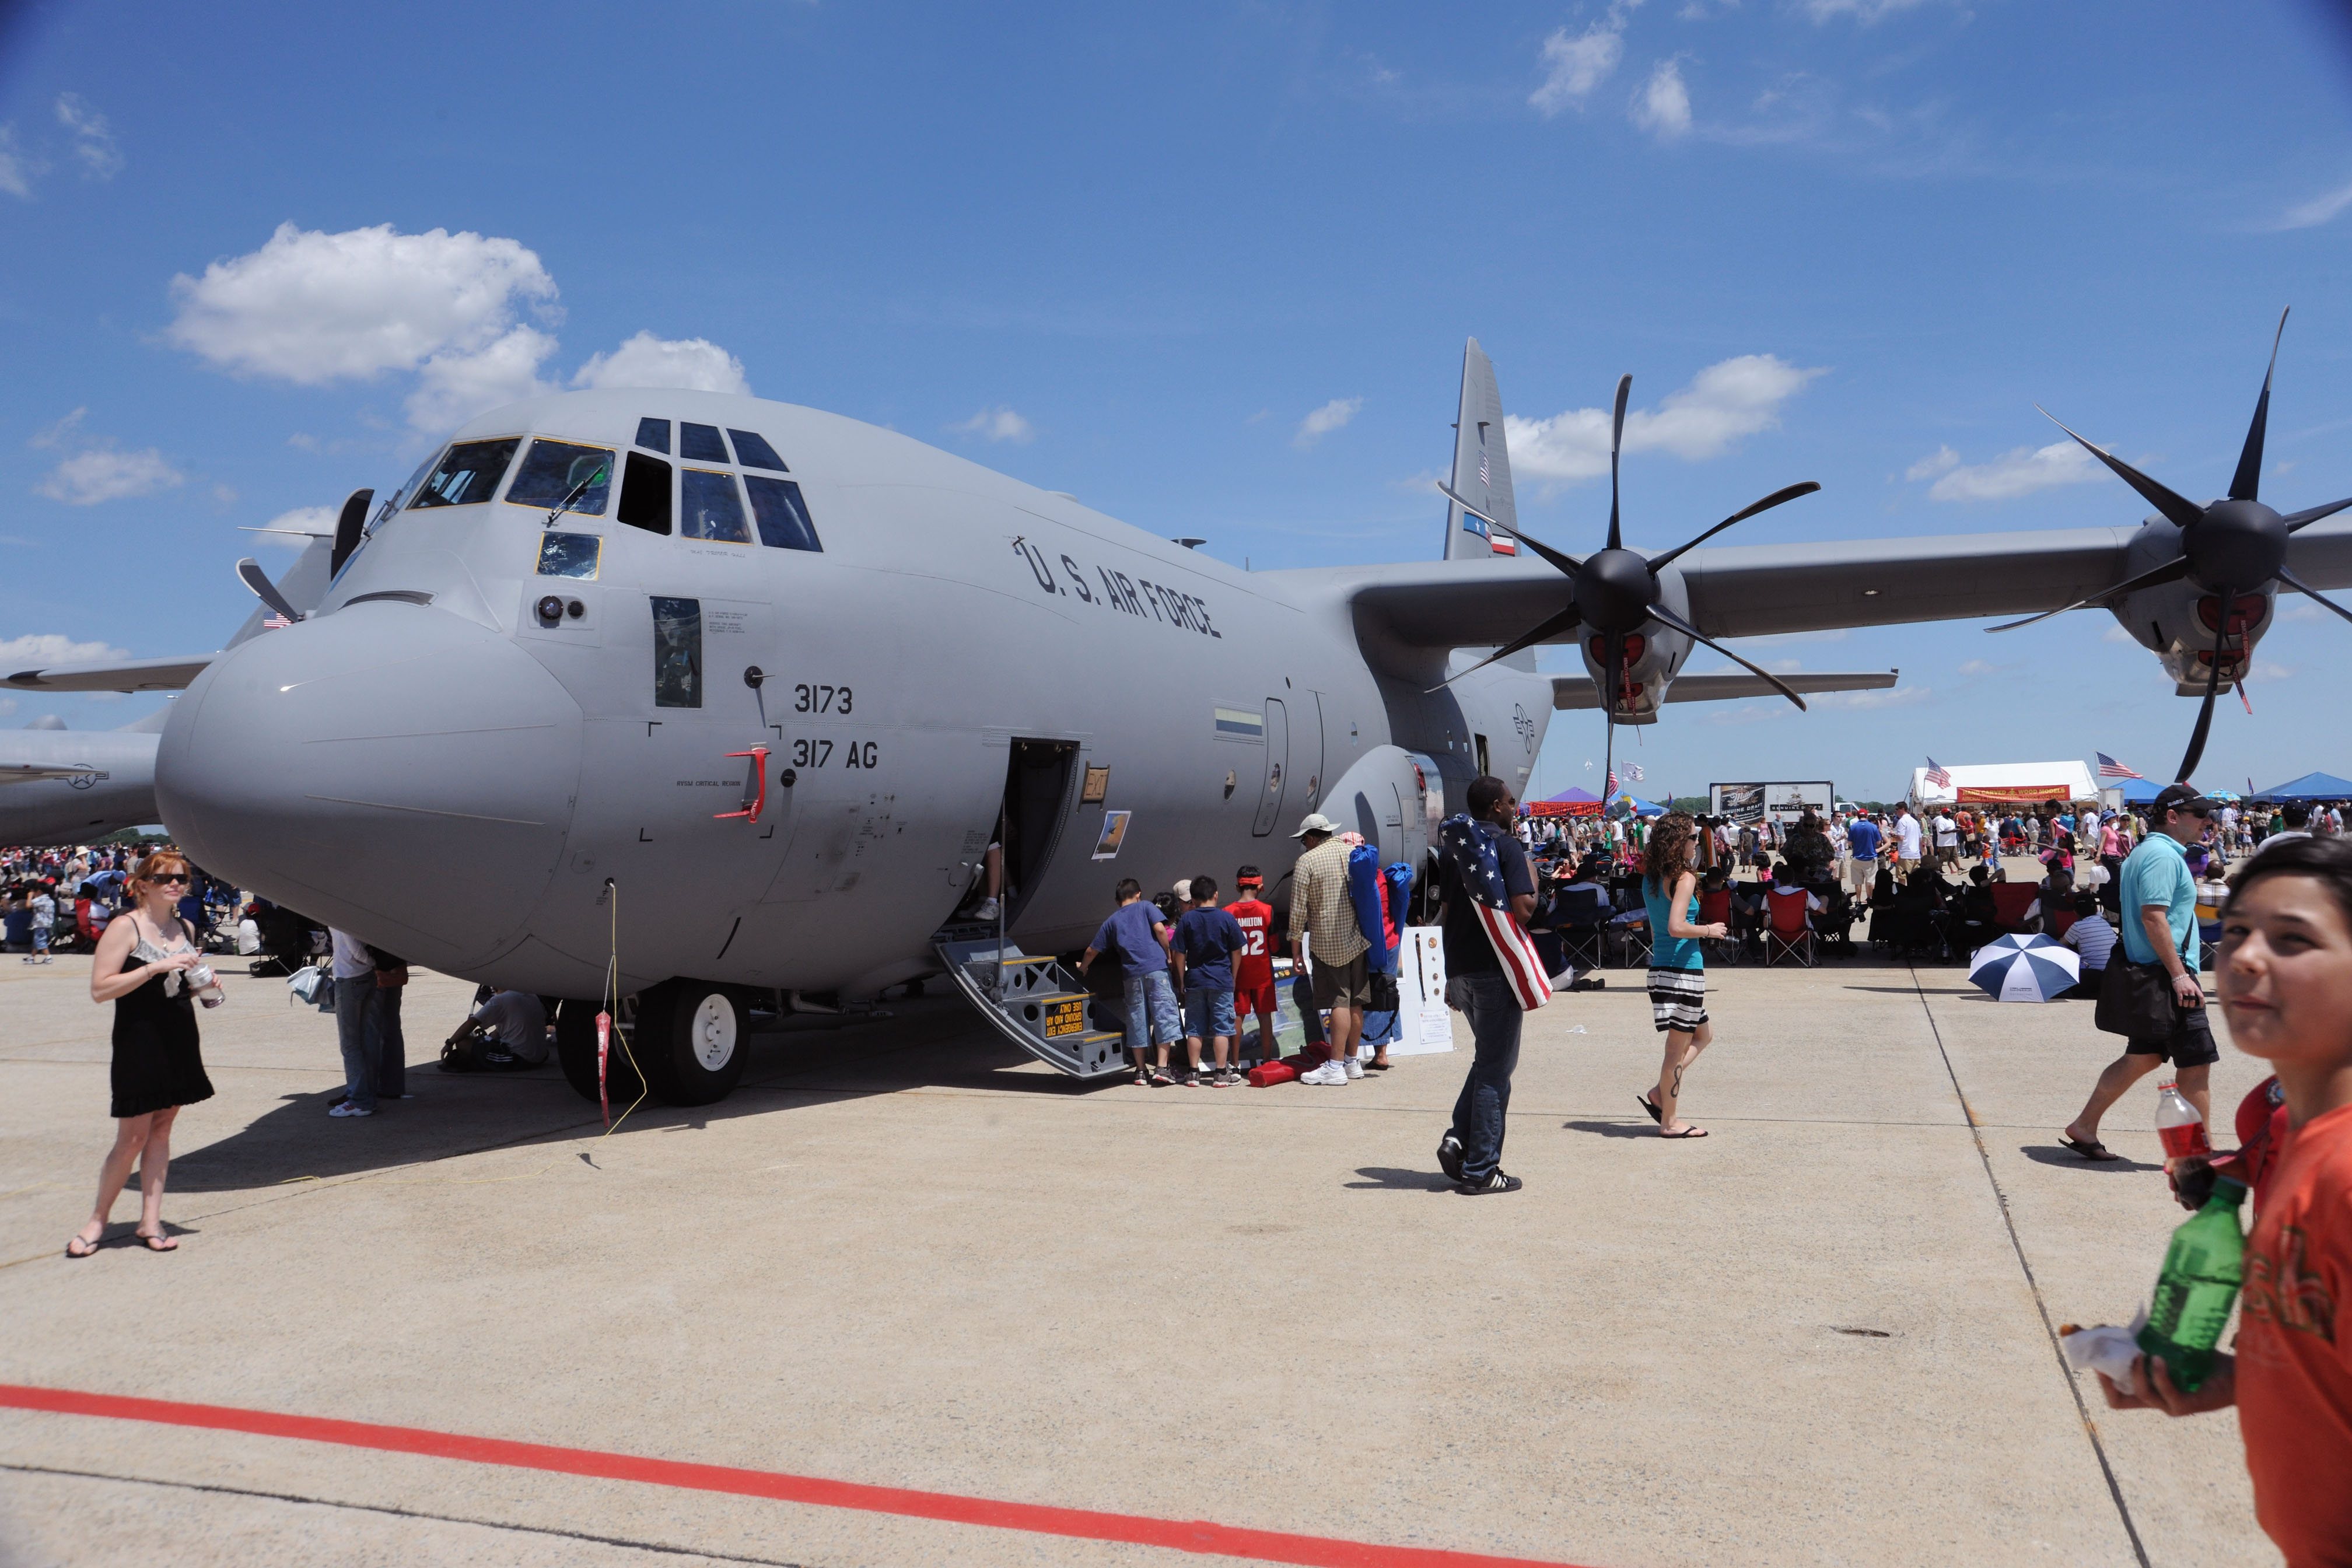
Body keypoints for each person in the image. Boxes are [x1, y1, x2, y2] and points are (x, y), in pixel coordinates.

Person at [2095, 832, 2352, 1566]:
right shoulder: (2294, 1133)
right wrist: (2240, 1380)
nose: (2243, 956)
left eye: (2294, 939)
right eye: (2235, 930)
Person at [66, 852, 216, 1256]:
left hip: (179, 1034)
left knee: (164, 1129)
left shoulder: (184, 925)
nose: (176, 884)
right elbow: (101, 989)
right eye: (166, 877)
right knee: (132, 1138)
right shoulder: (124, 926)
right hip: (140, 1038)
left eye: (182, 878)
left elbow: (182, 984)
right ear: (143, 884)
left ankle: (150, 1221)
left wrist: (204, 984)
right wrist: (155, 967)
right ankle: (98, 1219)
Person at [2060, 784, 2219, 1161]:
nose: (2206, 822)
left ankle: (2084, 1125)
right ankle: (2198, 1154)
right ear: (2173, 817)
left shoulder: (2142, 854)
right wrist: (2180, 976)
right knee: (2196, 1065)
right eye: (2199, 815)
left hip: (2152, 976)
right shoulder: (2163, 858)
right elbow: (2154, 918)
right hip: (2169, 976)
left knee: (2143, 1058)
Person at [1433, 776, 1538, 1192]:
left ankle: (1459, 1138)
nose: (1516, 808)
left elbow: (1446, 913)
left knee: (1486, 1061)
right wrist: (1530, 869)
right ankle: (1481, 1171)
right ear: (1496, 806)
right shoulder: (1508, 848)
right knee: (1496, 1071)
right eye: (1512, 802)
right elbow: (1524, 909)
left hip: (1461, 969)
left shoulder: (1453, 850)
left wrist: (1447, 978)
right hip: (1496, 972)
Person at [1638, 813, 1726, 1139]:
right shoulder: (1685, 877)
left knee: (1704, 1035)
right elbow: (1677, 927)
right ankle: (1670, 1122)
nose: (1697, 844)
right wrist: (1709, 930)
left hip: (1662, 968)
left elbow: (1658, 927)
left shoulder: (1650, 879)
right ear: (1679, 842)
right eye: (1693, 838)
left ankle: (1661, 1094)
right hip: (1682, 972)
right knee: (1676, 1050)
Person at [1286, 812, 1368, 1087]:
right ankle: (1352, 1061)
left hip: (1327, 943)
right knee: (1356, 1002)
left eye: (1303, 841)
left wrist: (1296, 950)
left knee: (1338, 1002)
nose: (1304, 845)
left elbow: (1298, 911)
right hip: (1358, 939)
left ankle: (1334, 1066)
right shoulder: (1351, 853)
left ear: (1311, 838)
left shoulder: (1307, 861)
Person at [1080, 878, 1181, 1086]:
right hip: (1156, 971)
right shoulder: (1146, 907)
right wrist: (1168, 955)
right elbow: (1161, 930)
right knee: (1163, 1015)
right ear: (1138, 894)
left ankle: (1141, 1071)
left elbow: (1092, 951)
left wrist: (1083, 967)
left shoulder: (1112, 920)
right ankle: (1162, 1068)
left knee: (1137, 1020)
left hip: (1131, 976)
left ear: (1117, 901)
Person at [1171, 876, 1245, 1086]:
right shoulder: (1226, 918)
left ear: (1192, 900)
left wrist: (1182, 979)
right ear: (1216, 895)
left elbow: (1178, 952)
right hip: (1221, 979)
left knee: (1194, 1028)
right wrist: (1234, 975)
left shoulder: (1187, 920)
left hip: (1195, 980)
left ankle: (1193, 1073)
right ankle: (1221, 1074)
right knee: (1222, 1028)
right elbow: (1237, 950)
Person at [1223, 868, 1280, 1067]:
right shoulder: (1267, 910)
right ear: (1260, 887)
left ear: (1237, 887)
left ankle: (1234, 1063)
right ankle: (1267, 1060)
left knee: (1237, 1017)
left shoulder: (1227, 912)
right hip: (1263, 974)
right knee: (1264, 1017)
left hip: (1238, 975)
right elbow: (1274, 946)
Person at [327, 928, 383, 1117]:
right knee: (361, 1041)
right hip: (363, 978)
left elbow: (355, 949)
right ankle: (364, 1095)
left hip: (350, 980)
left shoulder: (337, 917)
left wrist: (373, 963)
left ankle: (360, 1100)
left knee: (350, 1045)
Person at [442, 989, 551, 1071]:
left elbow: (473, 1022)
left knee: (462, 1042)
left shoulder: (500, 1000)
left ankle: (473, 1062)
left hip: (521, 1059)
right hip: (541, 1056)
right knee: (489, 1038)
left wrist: (450, 1043)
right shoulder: (530, 994)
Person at [2057, 892, 2116, 999]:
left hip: (2092, 976)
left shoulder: (2078, 926)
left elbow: (2060, 946)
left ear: (2075, 912)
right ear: (2096, 910)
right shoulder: (2104, 923)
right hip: (2111, 975)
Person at [1845, 811, 1883, 907]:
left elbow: (1849, 843)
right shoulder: (1873, 827)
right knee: (1871, 881)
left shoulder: (1853, 827)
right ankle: (1871, 899)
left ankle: (1858, 900)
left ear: (1858, 816)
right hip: (1870, 857)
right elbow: (1879, 842)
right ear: (1866, 816)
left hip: (1857, 857)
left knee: (1858, 882)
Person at [1894, 804, 1924, 878]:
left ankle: (1903, 890)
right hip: (1916, 854)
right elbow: (1920, 839)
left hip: (1905, 854)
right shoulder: (1915, 821)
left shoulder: (1902, 821)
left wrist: (1893, 836)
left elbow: (1901, 838)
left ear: (1903, 809)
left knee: (1902, 877)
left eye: (1897, 809)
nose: (1896, 812)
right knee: (1915, 879)